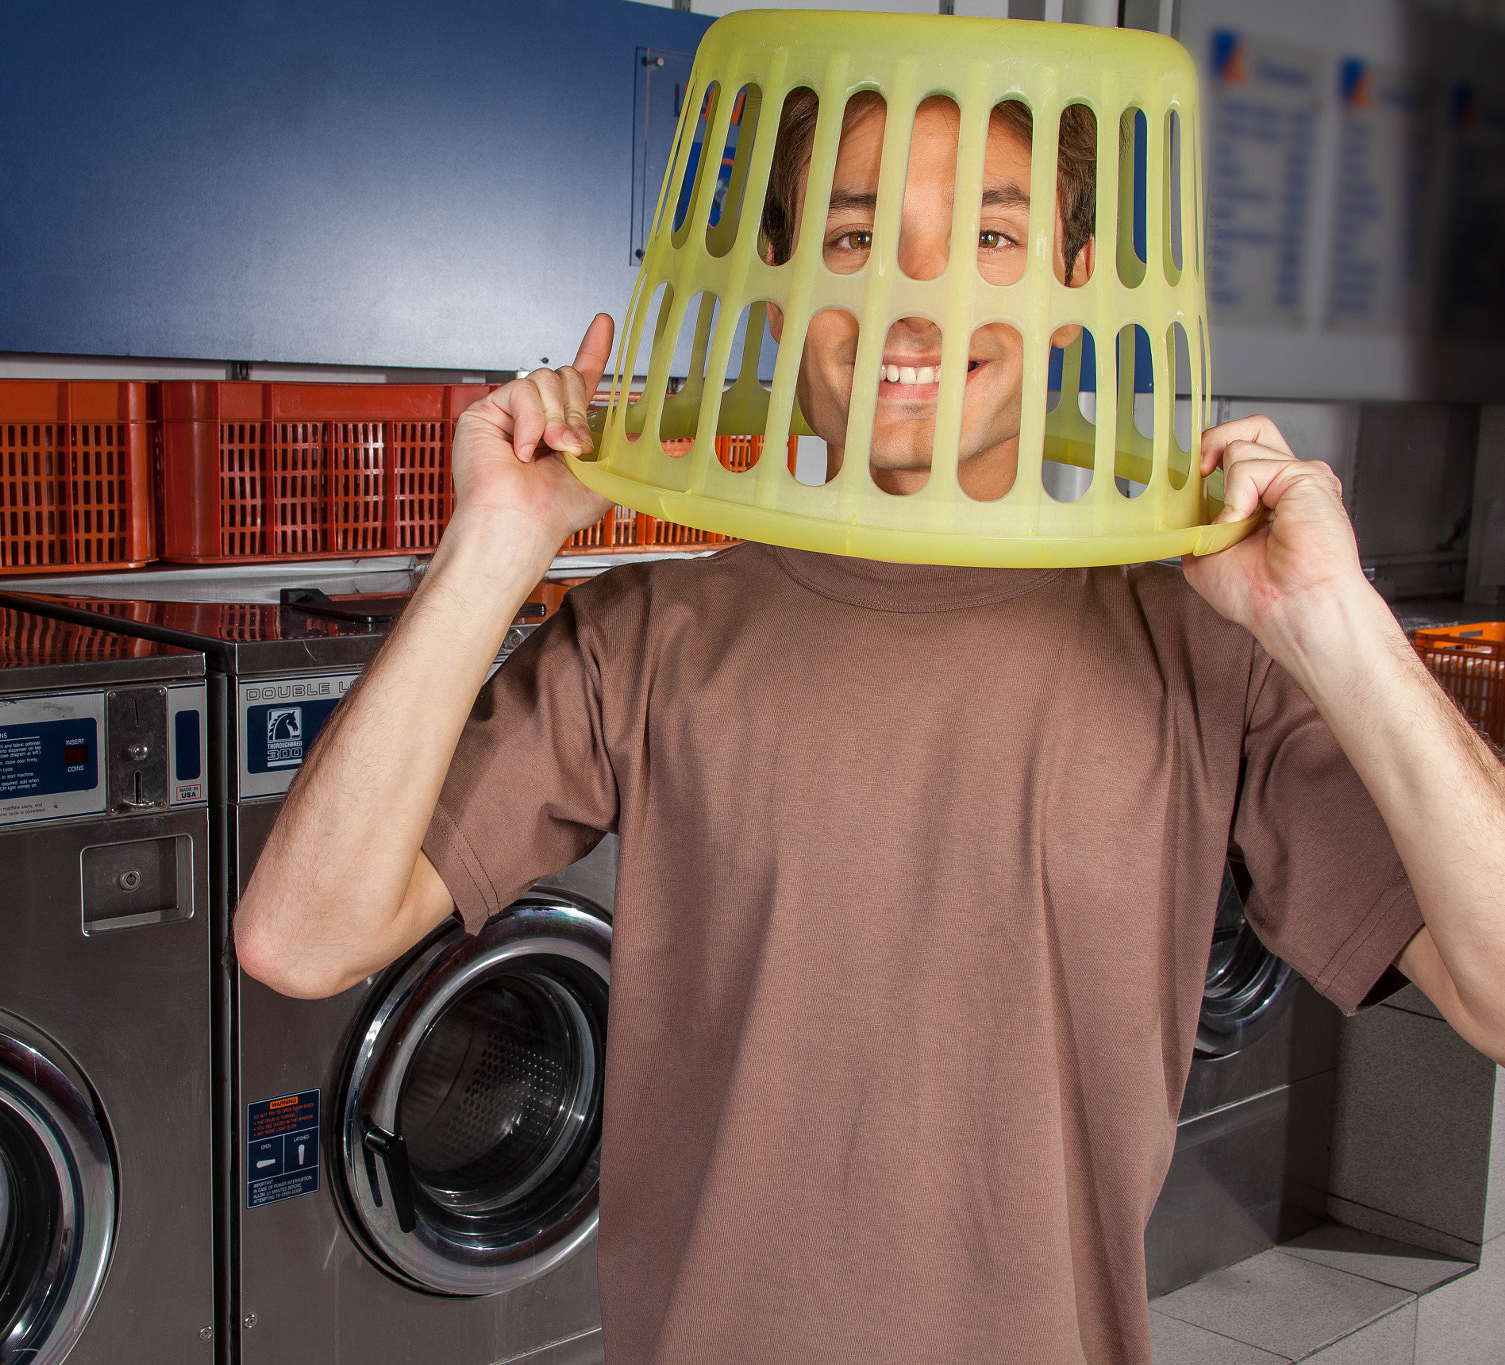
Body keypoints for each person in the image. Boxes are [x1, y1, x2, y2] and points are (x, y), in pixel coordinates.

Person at [233, 87, 1505, 1365]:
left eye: (989, 239)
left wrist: (1333, 621)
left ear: (1072, 287)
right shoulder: (646, 636)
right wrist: (492, 546)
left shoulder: (1205, 650)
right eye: (854, 237)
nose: (919, 302)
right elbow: (301, 937)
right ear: (777, 286)